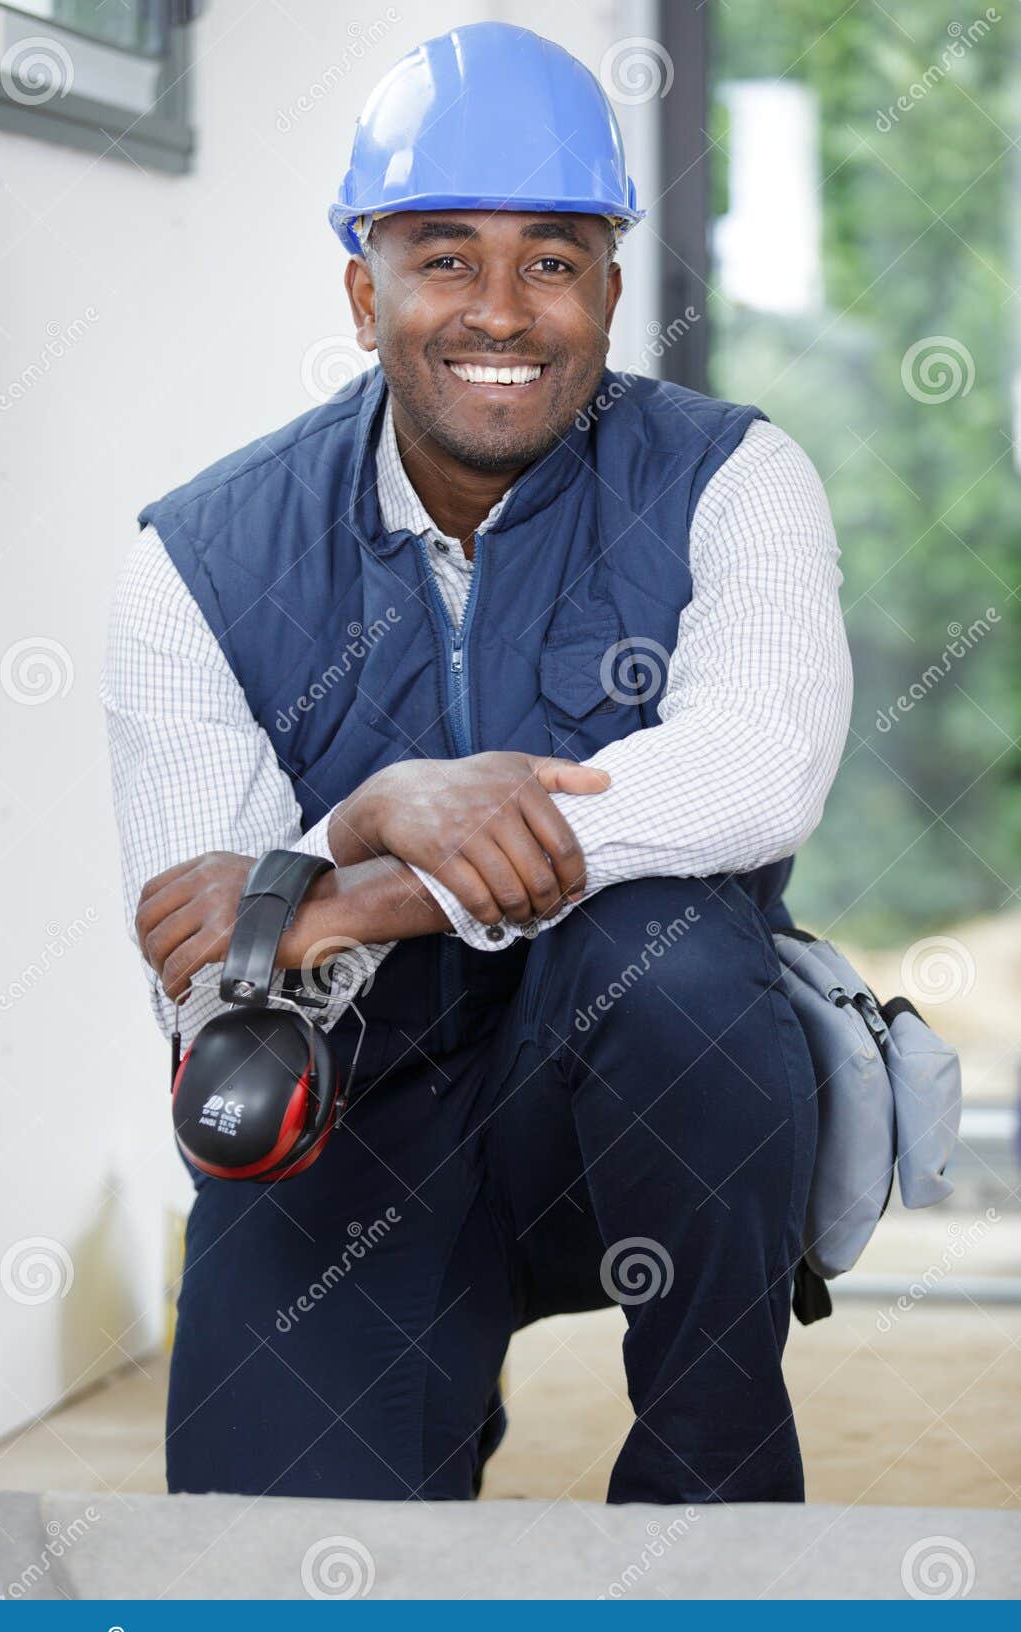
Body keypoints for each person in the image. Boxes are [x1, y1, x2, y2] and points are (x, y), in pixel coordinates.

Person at [102, 22, 851, 1505]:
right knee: (281, 1608)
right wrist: (358, 819)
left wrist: (361, 886)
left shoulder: (731, 478)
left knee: (680, 953)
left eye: (552, 261)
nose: (499, 310)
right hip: (350, 1132)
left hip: (632, 1105)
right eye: (444, 257)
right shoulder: (193, 561)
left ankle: (708, 1486)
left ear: (610, 292)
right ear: (360, 285)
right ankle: (411, 1381)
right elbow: (211, 974)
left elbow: (760, 767)